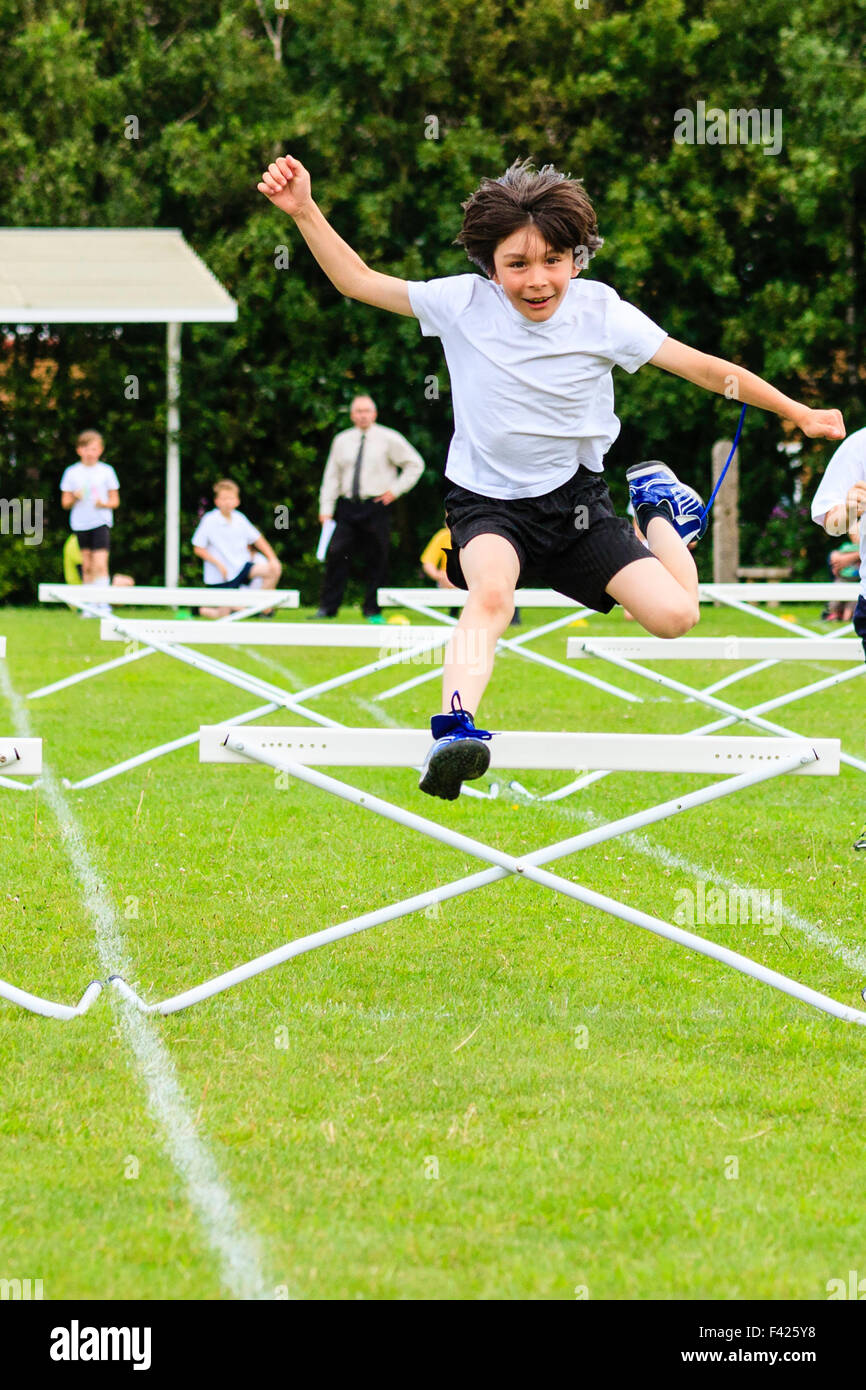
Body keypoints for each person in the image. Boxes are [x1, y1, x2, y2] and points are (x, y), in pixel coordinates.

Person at [258, 153, 845, 799]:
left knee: (677, 615)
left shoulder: (603, 315)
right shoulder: (461, 303)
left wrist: (797, 410)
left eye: (553, 261)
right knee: (491, 595)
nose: (537, 280)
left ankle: (658, 510)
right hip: (486, 501)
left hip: (575, 504)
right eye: (517, 265)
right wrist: (304, 210)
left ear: (577, 258)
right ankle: (454, 728)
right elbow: (358, 281)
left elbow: (705, 369)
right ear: (490, 267)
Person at [314, 395, 424, 621]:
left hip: (376, 505)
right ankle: (327, 608)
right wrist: (326, 508)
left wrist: (395, 490)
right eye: (358, 411)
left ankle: (373, 609)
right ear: (352, 415)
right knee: (336, 554)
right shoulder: (342, 440)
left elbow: (415, 464)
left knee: (378, 557)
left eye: (367, 411)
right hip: (347, 506)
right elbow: (331, 476)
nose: (363, 415)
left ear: (374, 414)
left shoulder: (389, 438)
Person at [191, 479, 282, 619]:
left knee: (274, 569)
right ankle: (202, 610)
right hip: (220, 577)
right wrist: (218, 564)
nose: (227, 502)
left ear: (237, 501)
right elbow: (198, 548)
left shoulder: (240, 519)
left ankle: (261, 608)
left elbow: (258, 539)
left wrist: (273, 559)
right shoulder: (210, 520)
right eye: (224, 499)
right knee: (223, 616)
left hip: (241, 569)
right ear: (217, 501)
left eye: (230, 498)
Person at [60, 429, 119, 617]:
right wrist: (75, 497)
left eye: (93, 449)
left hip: (100, 522)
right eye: (86, 449)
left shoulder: (107, 471)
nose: (90, 453)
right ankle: (90, 606)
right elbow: (65, 503)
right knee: (86, 566)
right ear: (79, 450)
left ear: (100, 450)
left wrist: (104, 504)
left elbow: (115, 501)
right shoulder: (72, 472)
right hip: (80, 524)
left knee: (100, 564)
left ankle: (103, 604)